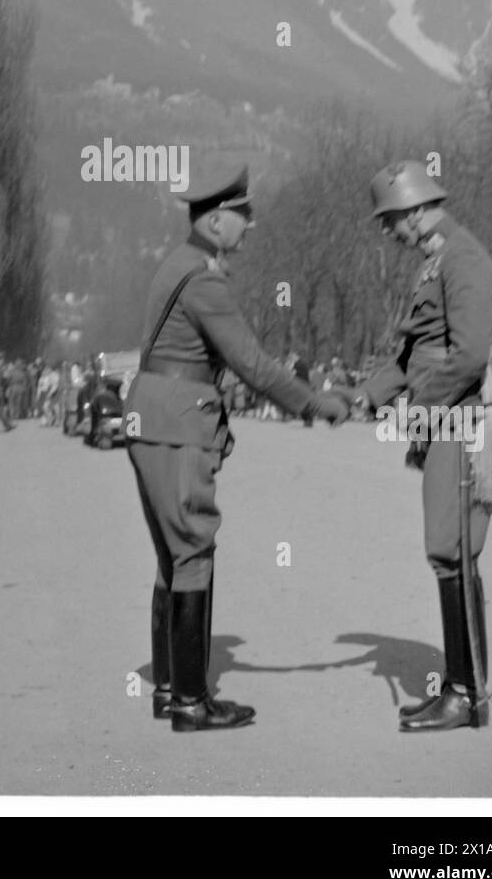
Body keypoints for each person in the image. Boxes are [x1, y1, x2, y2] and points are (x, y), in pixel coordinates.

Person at [125, 162, 348, 733]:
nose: (250, 225)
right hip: (179, 420)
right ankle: (193, 704)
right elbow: (251, 362)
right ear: (217, 219)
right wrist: (315, 403)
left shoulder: (180, 264)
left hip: (154, 415)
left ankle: (172, 688)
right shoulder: (203, 278)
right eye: (244, 215)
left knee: (172, 554)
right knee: (193, 550)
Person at [345, 161, 492, 732]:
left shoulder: (463, 259)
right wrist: (365, 395)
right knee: (448, 551)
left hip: (464, 419)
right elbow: (412, 354)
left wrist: (418, 411)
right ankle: (465, 688)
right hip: (447, 416)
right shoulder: (436, 261)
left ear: (417, 210)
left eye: (391, 221)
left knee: (452, 549)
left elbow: (468, 357)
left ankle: (466, 694)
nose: (389, 232)